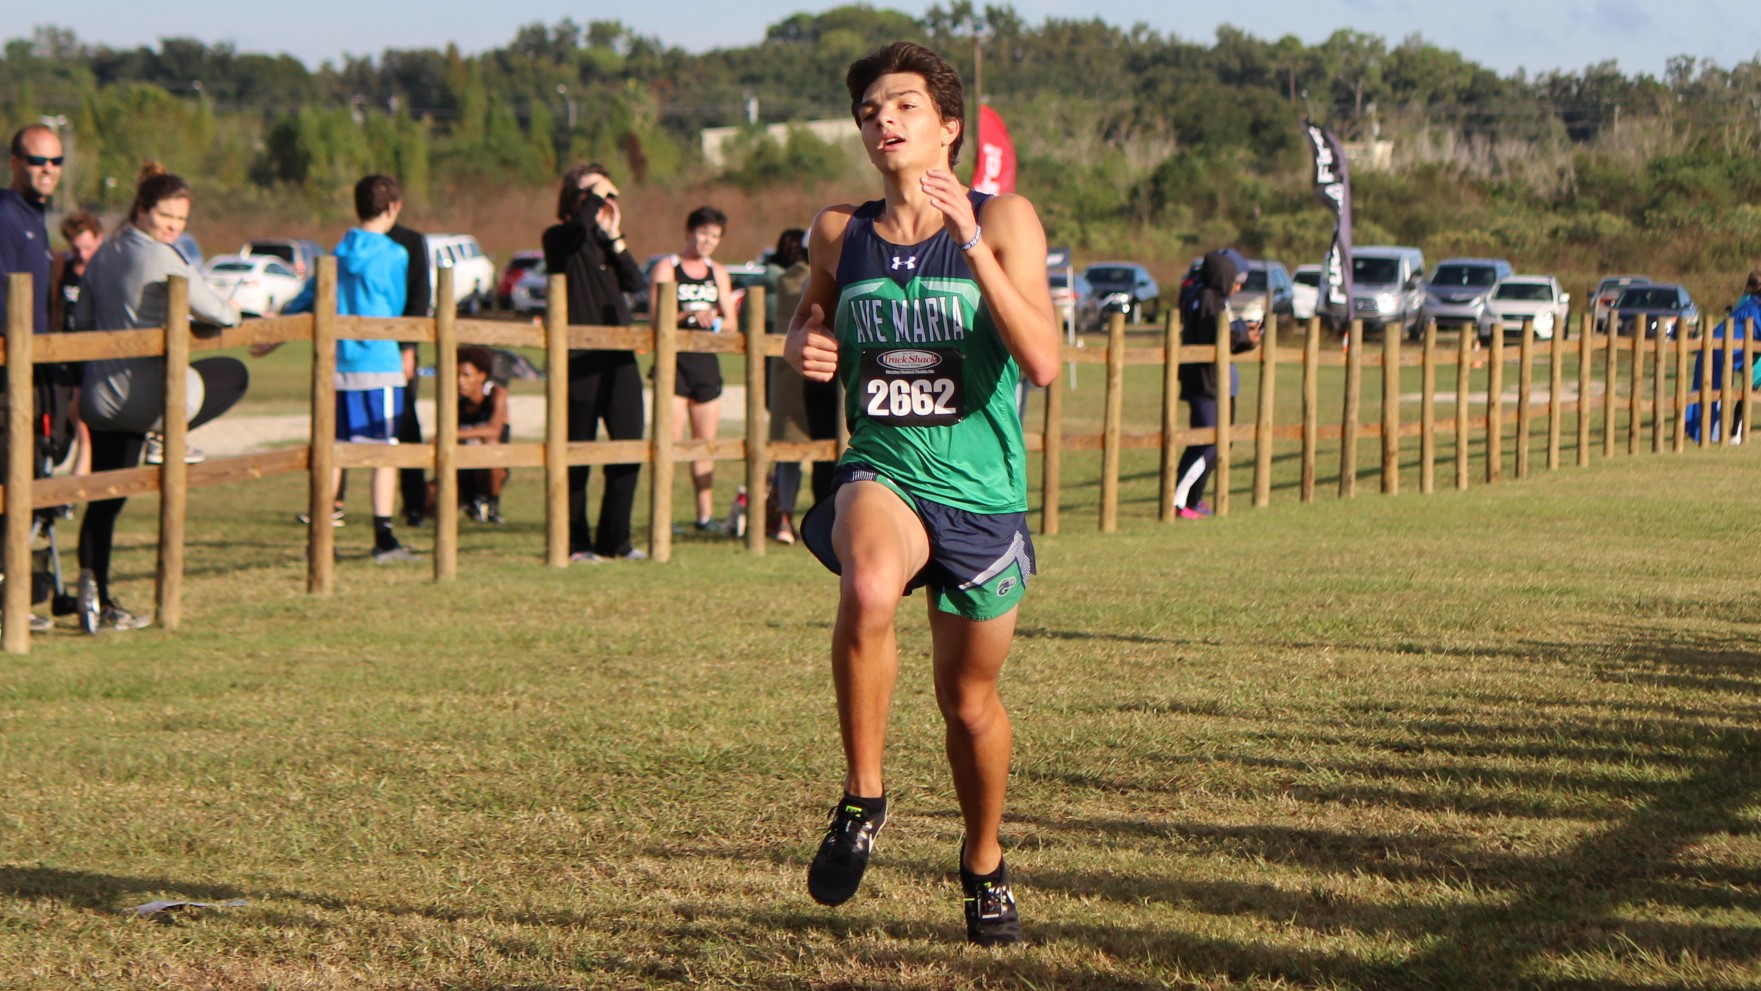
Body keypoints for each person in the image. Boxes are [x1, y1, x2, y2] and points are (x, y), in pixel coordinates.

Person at [784, 41, 1059, 945]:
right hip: (885, 469)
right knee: (864, 588)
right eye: (868, 111)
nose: (882, 121)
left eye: (901, 105)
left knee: (967, 702)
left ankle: (982, 861)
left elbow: (1044, 362)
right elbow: (810, 331)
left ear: (947, 126)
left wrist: (971, 242)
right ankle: (864, 797)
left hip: (981, 491)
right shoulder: (839, 231)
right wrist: (802, 347)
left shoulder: (1007, 218)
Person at [75, 161, 250, 630]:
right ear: (143, 209)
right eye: (165, 217)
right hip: (144, 402)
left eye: (180, 220)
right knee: (231, 374)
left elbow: (81, 322)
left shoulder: (105, 252)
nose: (172, 227)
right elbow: (220, 313)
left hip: (98, 396)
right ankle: (164, 435)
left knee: (104, 501)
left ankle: (95, 595)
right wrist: (225, 312)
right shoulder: (162, 257)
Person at [278, 174, 417, 563]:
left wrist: (275, 331)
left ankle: (323, 530)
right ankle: (384, 536)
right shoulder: (395, 254)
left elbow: (309, 297)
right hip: (380, 360)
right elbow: (395, 303)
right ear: (393, 208)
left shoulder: (337, 252)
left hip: (338, 363)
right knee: (384, 452)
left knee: (335, 450)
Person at [542, 163, 647, 563]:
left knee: (628, 446)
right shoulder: (558, 238)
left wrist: (616, 238)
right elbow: (573, 230)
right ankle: (575, 543)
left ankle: (615, 540)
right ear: (576, 199)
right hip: (577, 359)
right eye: (593, 195)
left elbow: (636, 284)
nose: (603, 202)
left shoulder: (604, 243)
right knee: (576, 453)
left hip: (618, 358)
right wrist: (594, 197)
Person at [0, 125, 67, 632]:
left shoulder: (36, 220)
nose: (48, 169)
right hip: (7, 376)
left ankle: (17, 595)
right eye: (37, 160)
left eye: (55, 161)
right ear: (14, 163)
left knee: (29, 481)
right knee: (11, 484)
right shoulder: (5, 216)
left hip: (34, 374)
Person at [650, 206, 737, 533]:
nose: (707, 242)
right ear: (689, 231)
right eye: (702, 233)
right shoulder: (667, 268)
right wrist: (689, 315)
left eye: (714, 236)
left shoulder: (719, 273)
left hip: (706, 366)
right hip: (674, 367)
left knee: (705, 446)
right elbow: (657, 319)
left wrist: (713, 319)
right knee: (669, 444)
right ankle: (663, 516)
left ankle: (704, 516)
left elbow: (731, 322)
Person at [1171, 249, 1259, 519]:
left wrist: (1245, 336)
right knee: (1208, 443)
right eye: (1234, 279)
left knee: (1214, 442)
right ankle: (1178, 502)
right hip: (1207, 384)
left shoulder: (1212, 299)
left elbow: (1224, 339)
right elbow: (1215, 333)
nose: (1238, 285)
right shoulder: (1208, 299)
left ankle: (1193, 499)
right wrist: (1243, 332)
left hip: (1213, 382)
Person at [763, 227, 836, 544]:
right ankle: (799, 517)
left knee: (794, 453)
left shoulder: (785, 280)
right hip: (817, 380)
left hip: (794, 380)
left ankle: (788, 518)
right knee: (816, 453)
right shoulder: (807, 280)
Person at [390, 215, 432, 527]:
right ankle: (334, 503)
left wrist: (408, 347)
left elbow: (419, 298)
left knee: (406, 423)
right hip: (359, 347)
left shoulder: (410, 242)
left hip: (397, 348)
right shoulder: (351, 242)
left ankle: (415, 504)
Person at [54, 211, 103, 476]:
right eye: (76, 248)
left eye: (88, 247)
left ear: (99, 240)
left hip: (92, 354)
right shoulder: (64, 267)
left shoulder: (104, 271)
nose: (82, 255)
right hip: (64, 353)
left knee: (83, 422)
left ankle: (75, 488)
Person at [1685, 269, 1759, 444]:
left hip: (1724, 350)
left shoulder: (1752, 305)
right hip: (1720, 350)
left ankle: (1711, 434)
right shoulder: (1754, 308)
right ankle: (1705, 433)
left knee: (1713, 392)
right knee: (1711, 392)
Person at [450, 344, 510, 523]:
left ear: (482, 376)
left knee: (491, 448)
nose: (461, 381)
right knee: (429, 496)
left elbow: (494, 431)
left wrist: (454, 434)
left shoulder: (496, 396)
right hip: (461, 469)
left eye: (466, 375)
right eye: (457, 375)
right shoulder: (455, 399)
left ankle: (491, 504)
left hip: (488, 471)